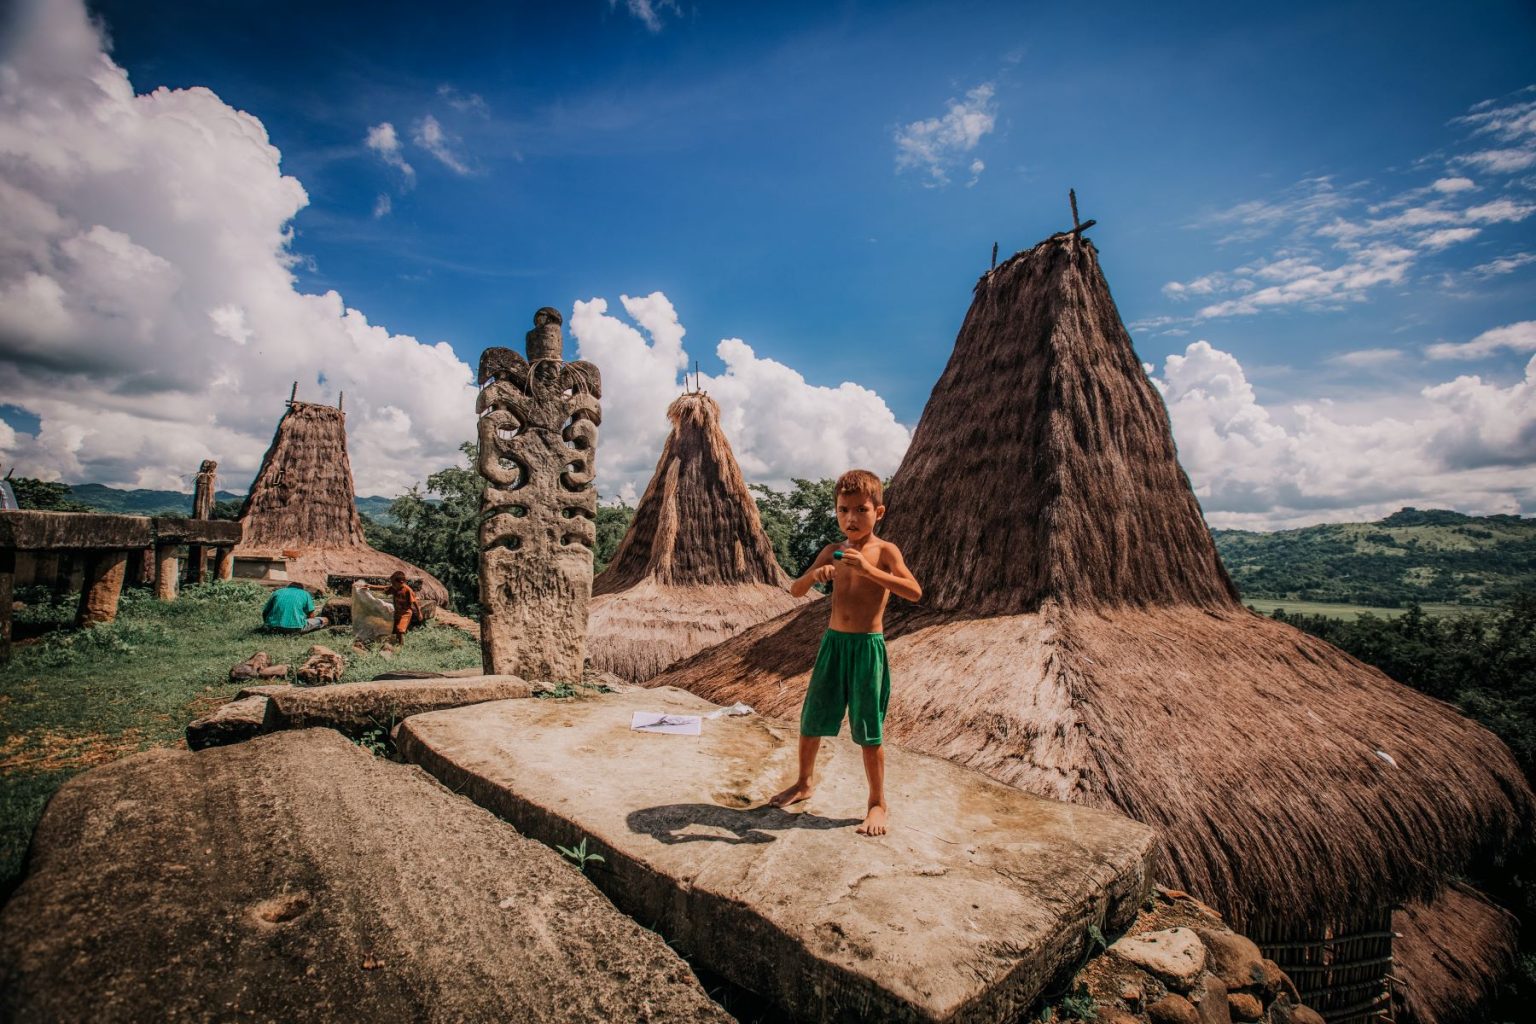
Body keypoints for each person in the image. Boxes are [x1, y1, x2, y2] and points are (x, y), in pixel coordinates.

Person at [768, 469, 922, 837]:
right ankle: (804, 782)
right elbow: (795, 589)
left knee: (869, 730)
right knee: (811, 720)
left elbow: (913, 591)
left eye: (861, 510)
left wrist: (870, 570)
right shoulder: (832, 550)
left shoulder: (885, 552)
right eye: (843, 510)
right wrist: (816, 575)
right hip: (833, 645)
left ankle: (877, 802)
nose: (851, 518)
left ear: (878, 513)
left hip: (867, 648)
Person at [361, 571, 417, 647]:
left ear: (401, 582)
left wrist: (419, 612)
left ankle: (401, 646)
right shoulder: (394, 588)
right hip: (397, 612)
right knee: (394, 629)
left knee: (400, 629)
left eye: (393, 583)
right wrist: (370, 586)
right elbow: (384, 588)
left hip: (406, 613)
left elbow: (414, 601)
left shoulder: (407, 590)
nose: (392, 585)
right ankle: (395, 643)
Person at [262, 582, 328, 633]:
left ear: (288, 587)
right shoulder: (305, 593)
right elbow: (311, 615)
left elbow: (265, 612)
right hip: (295, 629)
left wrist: (267, 624)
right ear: (301, 589)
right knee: (324, 620)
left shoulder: (277, 592)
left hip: (272, 628)